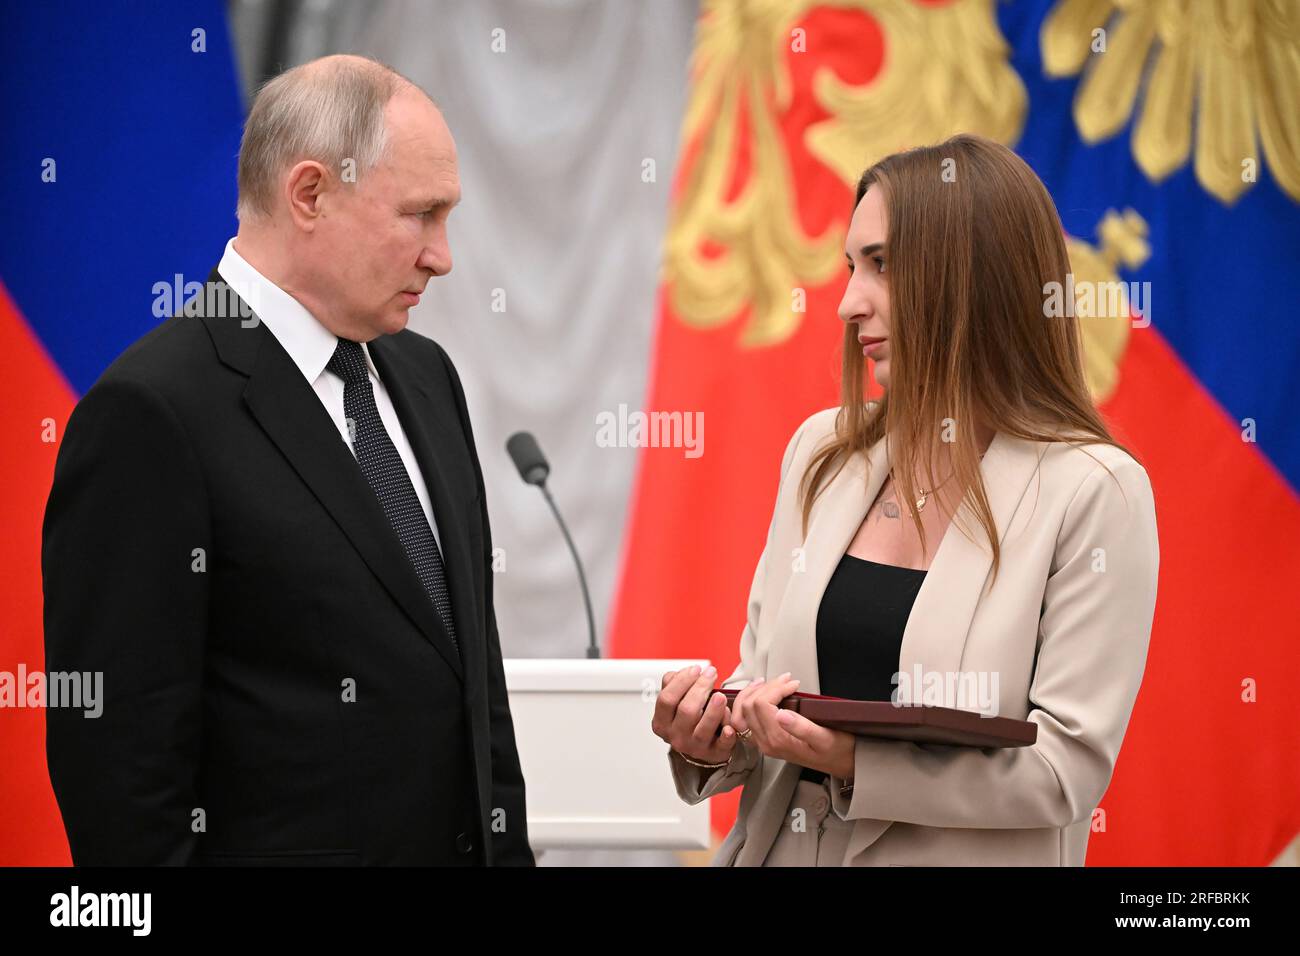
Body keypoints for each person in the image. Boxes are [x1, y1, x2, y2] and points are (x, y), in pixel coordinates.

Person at [42, 55, 533, 866]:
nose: (442, 256)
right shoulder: (151, 414)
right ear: (309, 193)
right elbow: (122, 786)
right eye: (421, 215)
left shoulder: (425, 374)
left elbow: (475, 699)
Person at [652, 134, 1160, 866]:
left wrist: (858, 761)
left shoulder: (1094, 491)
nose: (848, 303)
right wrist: (712, 736)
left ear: (978, 279)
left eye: (883, 265)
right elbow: (765, 682)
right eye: (851, 268)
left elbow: (1063, 772)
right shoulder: (821, 452)